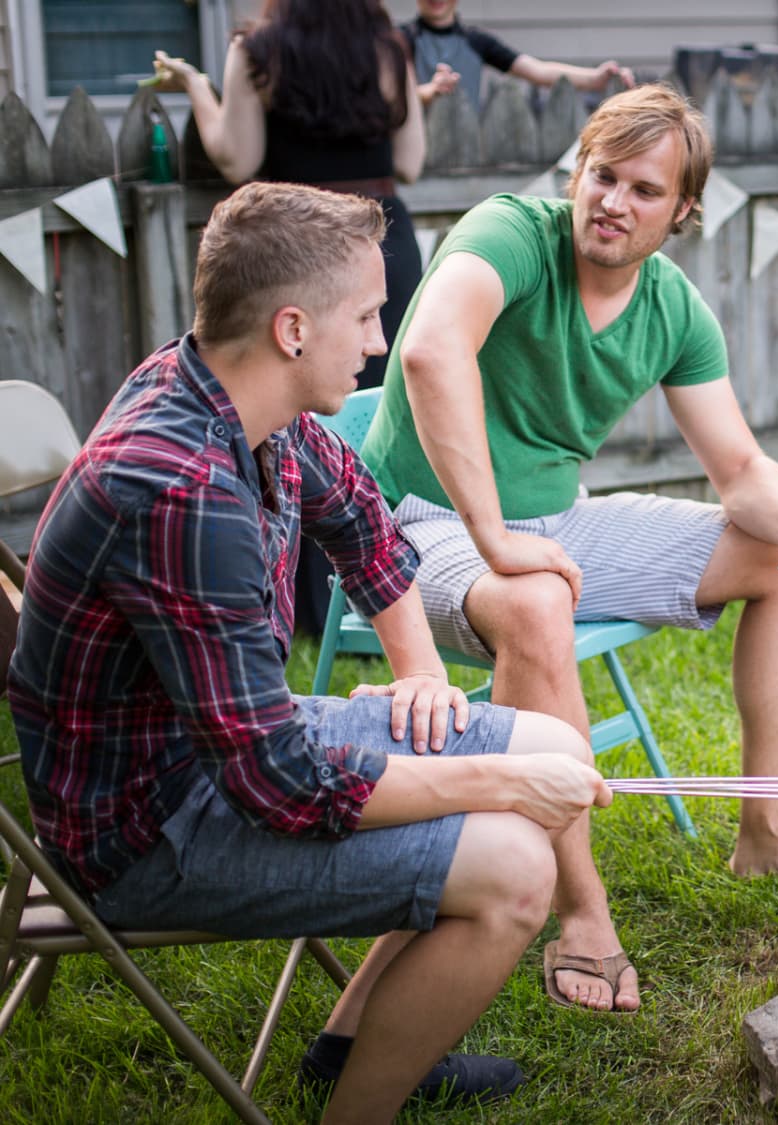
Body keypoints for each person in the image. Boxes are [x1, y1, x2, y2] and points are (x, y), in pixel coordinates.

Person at [5, 181, 612, 1121]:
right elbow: (277, 782)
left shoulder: (242, 396)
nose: (381, 341)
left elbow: (364, 524)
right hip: (149, 828)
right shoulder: (181, 490)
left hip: (223, 748)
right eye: (367, 316)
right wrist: (493, 782)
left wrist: (420, 676)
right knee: (518, 865)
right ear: (293, 328)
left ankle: (350, 1045)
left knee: (559, 750)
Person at [360, 84, 778, 1009]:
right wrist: (495, 540)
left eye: (643, 189)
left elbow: (738, 464)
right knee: (537, 600)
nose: (612, 201)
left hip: (555, 523)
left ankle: (768, 827)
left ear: (682, 210)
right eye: (601, 175)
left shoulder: (673, 310)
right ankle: (581, 912)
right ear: (578, 171)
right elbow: (428, 353)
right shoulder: (510, 234)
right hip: (423, 520)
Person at [151, 0, 427, 636]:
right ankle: (387, 597)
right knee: (378, 414)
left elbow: (236, 159)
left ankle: (306, 610)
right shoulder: (390, 48)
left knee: (291, 423)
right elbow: (410, 161)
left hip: (296, 253)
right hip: (381, 246)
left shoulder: (257, 49)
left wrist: (197, 86)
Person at [400, 0, 634, 109]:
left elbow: (538, 70)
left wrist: (595, 79)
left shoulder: (477, 42)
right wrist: (430, 91)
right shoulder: (399, 40)